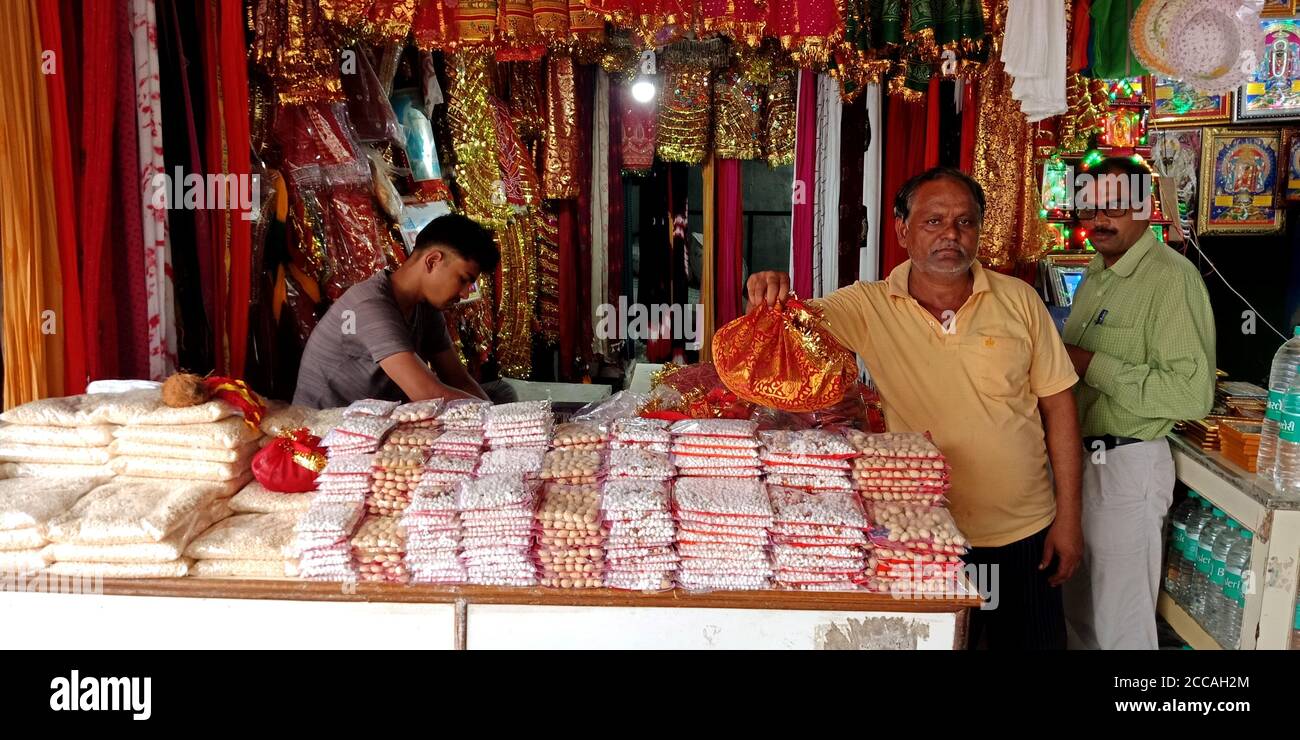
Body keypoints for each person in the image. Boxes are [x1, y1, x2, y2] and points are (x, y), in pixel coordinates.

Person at [746, 167, 1084, 649]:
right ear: (902, 229)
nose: (951, 233)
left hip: (1023, 530)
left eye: (965, 222)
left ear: (979, 230)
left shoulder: (1020, 301)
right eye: (934, 221)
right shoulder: (869, 305)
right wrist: (769, 290)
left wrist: (1069, 520)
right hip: (921, 532)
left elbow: (1060, 408)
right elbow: (793, 327)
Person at [1062, 157, 1216, 650]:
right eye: (1091, 208)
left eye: (1115, 208)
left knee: (1120, 623)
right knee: (1080, 614)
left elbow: (1191, 395)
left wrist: (1091, 363)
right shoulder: (1097, 270)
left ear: (1145, 208)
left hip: (1128, 466)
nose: (1100, 220)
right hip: (1081, 463)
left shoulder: (1171, 279)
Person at [293, 213, 499, 409]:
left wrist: (501, 420)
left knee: (501, 394)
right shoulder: (369, 305)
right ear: (432, 261)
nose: (464, 293)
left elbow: (457, 379)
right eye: (463, 279)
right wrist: (495, 421)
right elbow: (427, 393)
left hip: (378, 420)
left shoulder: (426, 308)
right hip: (324, 431)